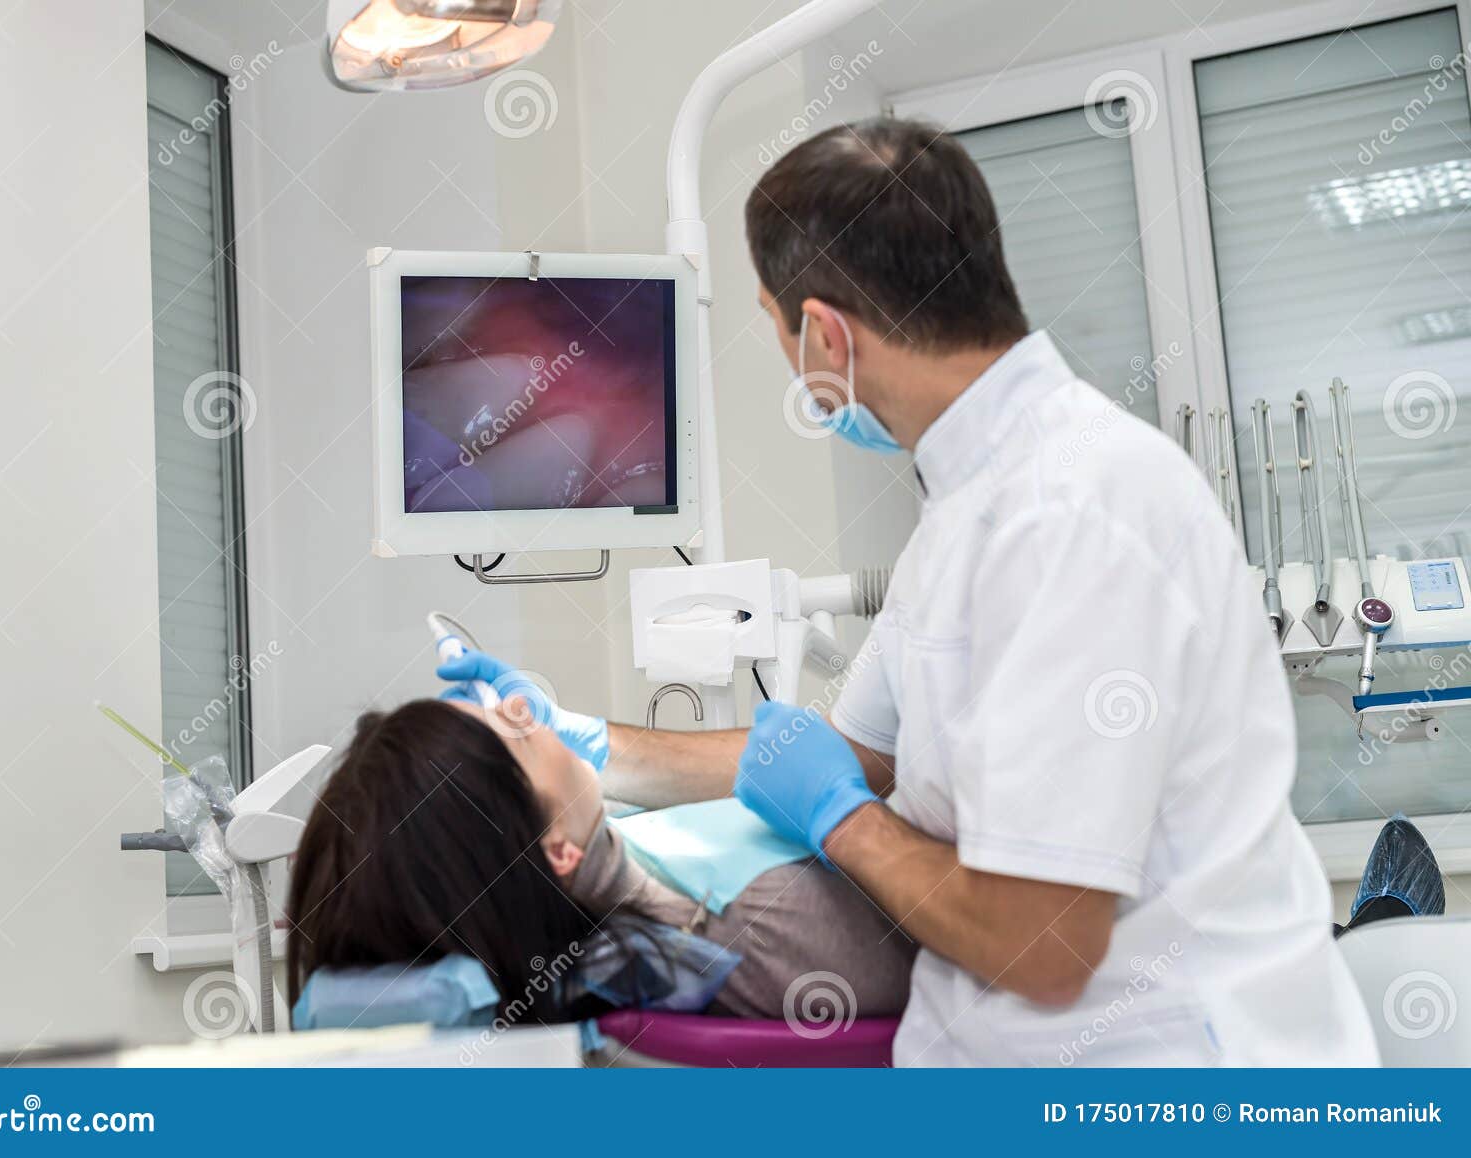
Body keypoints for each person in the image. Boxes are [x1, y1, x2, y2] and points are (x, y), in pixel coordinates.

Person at [438, 117, 1380, 1066]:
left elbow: (1043, 947)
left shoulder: (1072, 517)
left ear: (823, 333)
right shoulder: (972, 507)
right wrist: (586, 743)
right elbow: (851, 752)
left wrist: (845, 824)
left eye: (773, 324)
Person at [285, 697, 916, 1026]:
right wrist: (847, 818)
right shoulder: (744, 920)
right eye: (508, 731)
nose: (519, 708)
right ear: (558, 849)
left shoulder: (604, 867)